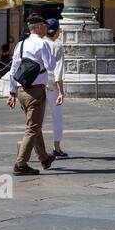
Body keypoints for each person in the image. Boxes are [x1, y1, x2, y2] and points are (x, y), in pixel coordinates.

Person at [5, 14, 59, 177]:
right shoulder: (43, 44)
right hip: (36, 91)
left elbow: (14, 69)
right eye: (44, 26)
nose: (46, 28)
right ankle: (20, 164)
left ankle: (44, 158)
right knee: (32, 128)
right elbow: (50, 65)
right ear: (38, 27)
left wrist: (12, 92)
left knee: (34, 125)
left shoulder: (20, 44)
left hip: (22, 91)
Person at [46, 18, 68, 159]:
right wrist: (61, 91)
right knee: (57, 117)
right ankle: (56, 147)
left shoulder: (40, 43)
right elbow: (58, 72)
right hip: (52, 86)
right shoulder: (57, 46)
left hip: (38, 85)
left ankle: (31, 147)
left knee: (36, 119)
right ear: (57, 31)